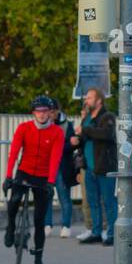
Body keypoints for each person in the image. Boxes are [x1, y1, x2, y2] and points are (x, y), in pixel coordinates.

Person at [3, 96, 64, 264]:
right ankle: (11, 227)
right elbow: (14, 152)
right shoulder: (24, 128)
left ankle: (38, 259)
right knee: (14, 200)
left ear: (51, 113)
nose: (42, 114)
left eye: (45, 111)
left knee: (39, 219)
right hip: (25, 171)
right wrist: (8, 176)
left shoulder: (57, 133)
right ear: (33, 113)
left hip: (43, 176)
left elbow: (55, 158)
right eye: (39, 111)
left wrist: (51, 181)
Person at [74, 88, 116, 245]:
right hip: (89, 167)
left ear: (99, 100)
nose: (86, 100)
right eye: (86, 97)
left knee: (108, 201)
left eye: (89, 97)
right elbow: (83, 137)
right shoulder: (86, 119)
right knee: (93, 202)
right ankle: (96, 232)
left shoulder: (107, 116)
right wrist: (76, 140)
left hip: (105, 167)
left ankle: (111, 234)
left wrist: (85, 130)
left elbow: (106, 134)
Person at [44, 101, 78, 238]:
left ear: (58, 111)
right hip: (47, 165)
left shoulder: (67, 125)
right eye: (48, 111)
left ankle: (66, 226)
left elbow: (72, 145)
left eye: (52, 111)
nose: (49, 114)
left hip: (63, 165)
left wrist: (58, 147)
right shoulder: (43, 125)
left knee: (64, 196)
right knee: (46, 196)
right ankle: (47, 225)